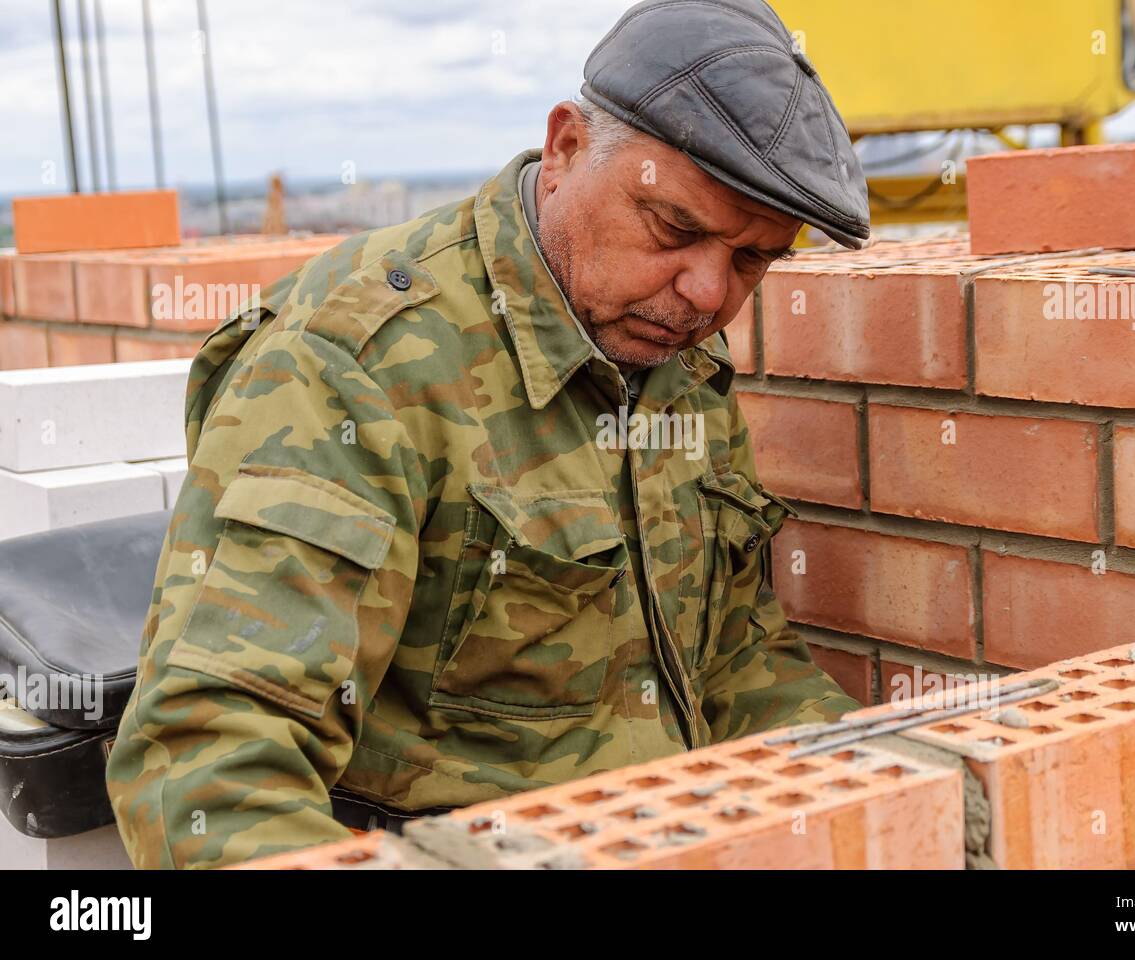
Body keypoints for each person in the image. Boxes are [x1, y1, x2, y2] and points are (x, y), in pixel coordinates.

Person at [106, 0, 872, 868]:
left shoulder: (675, 364)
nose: (706, 294)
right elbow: (205, 771)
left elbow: (736, 664)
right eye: (675, 229)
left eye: (750, 260)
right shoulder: (355, 368)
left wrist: (888, 793)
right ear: (567, 148)